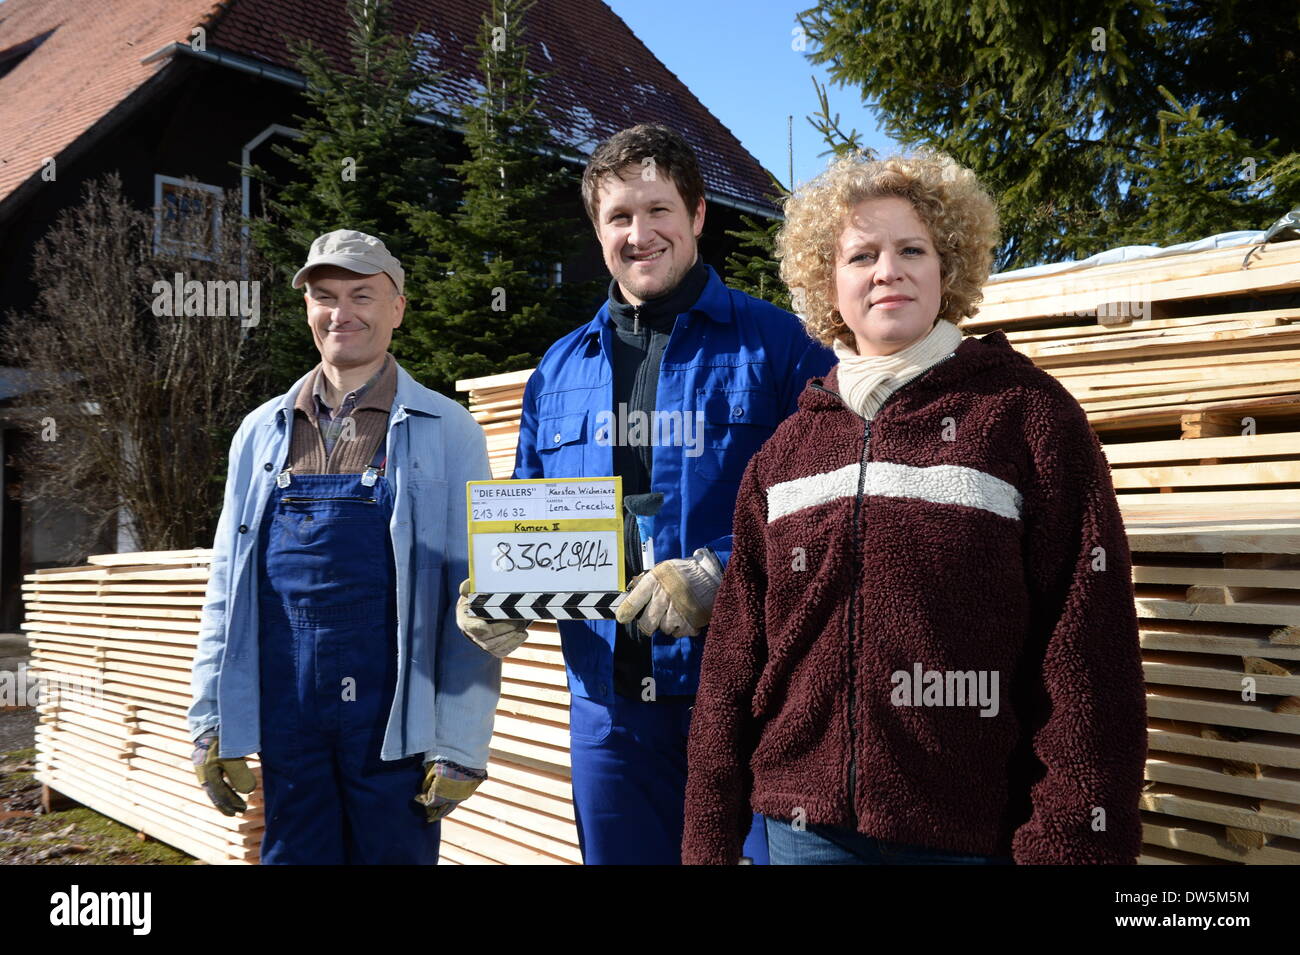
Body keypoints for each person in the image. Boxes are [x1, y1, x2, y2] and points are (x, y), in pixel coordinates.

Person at [681, 153, 1148, 865]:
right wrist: (708, 844)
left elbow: (1090, 656)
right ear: (825, 281)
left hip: (970, 837)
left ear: (948, 267)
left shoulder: (1027, 420)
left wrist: (1072, 845)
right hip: (803, 836)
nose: (886, 270)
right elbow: (731, 671)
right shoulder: (787, 453)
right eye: (861, 254)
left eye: (911, 249)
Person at [457, 124, 835, 864]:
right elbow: (531, 505)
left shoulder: (782, 347)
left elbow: (830, 508)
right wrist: (495, 591)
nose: (640, 233)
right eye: (618, 216)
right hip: (609, 712)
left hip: (748, 703)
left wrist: (722, 572)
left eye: (659, 210)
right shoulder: (559, 369)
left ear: (696, 215)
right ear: (598, 230)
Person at [188, 229, 500, 864]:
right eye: (325, 296)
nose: (342, 313)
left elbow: (474, 602)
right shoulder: (260, 433)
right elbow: (227, 588)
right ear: (308, 308)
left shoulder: (448, 431)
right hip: (287, 716)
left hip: (395, 725)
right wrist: (209, 719)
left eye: (363, 294)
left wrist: (462, 742)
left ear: (398, 308)